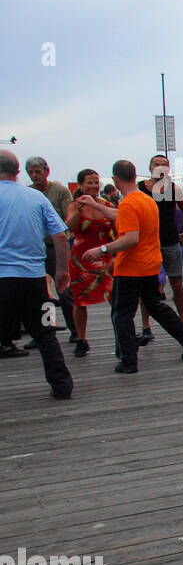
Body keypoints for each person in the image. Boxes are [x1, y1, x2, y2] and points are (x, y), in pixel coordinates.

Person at [89, 160, 183, 373]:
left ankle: (128, 360)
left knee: (122, 314)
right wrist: (95, 205)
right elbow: (122, 215)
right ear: (134, 176)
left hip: (131, 267)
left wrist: (102, 249)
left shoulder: (129, 202)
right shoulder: (146, 199)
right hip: (150, 264)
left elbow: (131, 238)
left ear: (115, 179)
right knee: (155, 306)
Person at [0, 150, 74, 396]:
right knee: (45, 331)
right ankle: (62, 385)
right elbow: (61, 236)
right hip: (33, 279)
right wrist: (62, 270)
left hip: (2, 278)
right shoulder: (36, 197)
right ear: (18, 171)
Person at [64, 169, 116, 358]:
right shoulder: (74, 206)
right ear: (80, 185)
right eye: (89, 183)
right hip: (82, 261)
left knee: (114, 297)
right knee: (80, 301)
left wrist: (116, 254)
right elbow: (68, 228)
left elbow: (118, 226)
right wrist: (79, 210)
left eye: (96, 182)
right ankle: (81, 339)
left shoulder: (106, 205)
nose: (94, 186)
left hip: (105, 259)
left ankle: (123, 334)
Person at [24, 156, 76, 340]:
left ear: (46, 172)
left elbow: (68, 216)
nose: (34, 175)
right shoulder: (28, 193)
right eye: (31, 172)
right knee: (41, 294)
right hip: (36, 248)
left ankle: (75, 331)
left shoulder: (60, 191)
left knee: (65, 291)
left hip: (56, 246)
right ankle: (45, 331)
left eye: (37, 172)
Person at [139, 154, 183, 324]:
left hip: (170, 241)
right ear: (150, 167)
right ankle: (146, 325)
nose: (160, 168)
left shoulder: (174, 189)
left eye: (164, 165)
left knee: (176, 282)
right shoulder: (139, 189)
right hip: (147, 243)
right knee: (147, 285)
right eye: (156, 164)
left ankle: (182, 321)